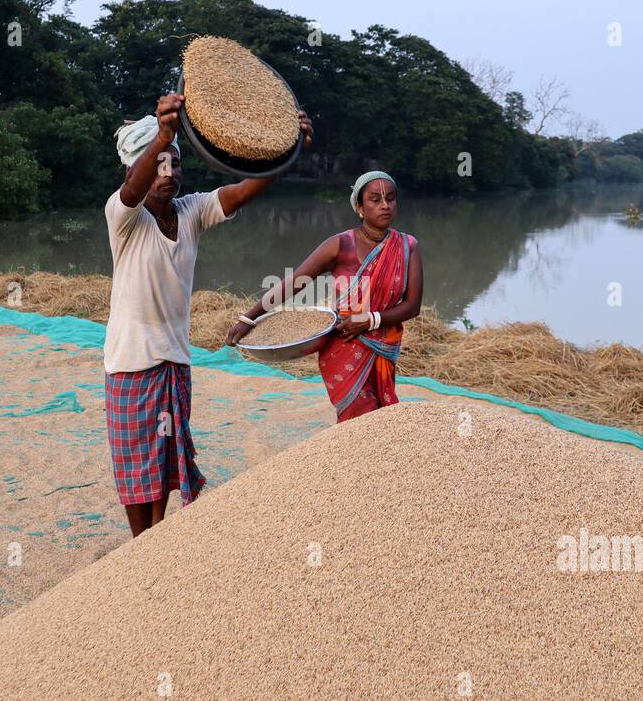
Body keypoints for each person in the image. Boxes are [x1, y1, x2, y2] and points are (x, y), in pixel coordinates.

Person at [105, 92, 313, 537]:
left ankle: (156, 540)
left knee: (162, 467)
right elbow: (131, 191)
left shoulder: (191, 211)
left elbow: (240, 192)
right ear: (136, 169)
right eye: (159, 163)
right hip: (131, 365)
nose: (169, 173)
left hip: (174, 364)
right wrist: (164, 135)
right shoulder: (124, 217)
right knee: (134, 471)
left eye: (175, 163)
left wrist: (286, 151)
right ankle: (140, 546)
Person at [228, 170, 422, 422]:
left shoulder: (407, 247)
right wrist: (249, 318)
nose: (385, 206)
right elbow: (294, 282)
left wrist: (371, 320)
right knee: (360, 414)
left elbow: (413, 305)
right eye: (375, 200)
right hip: (344, 342)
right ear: (359, 207)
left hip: (383, 345)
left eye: (391, 199)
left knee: (381, 418)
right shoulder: (340, 245)